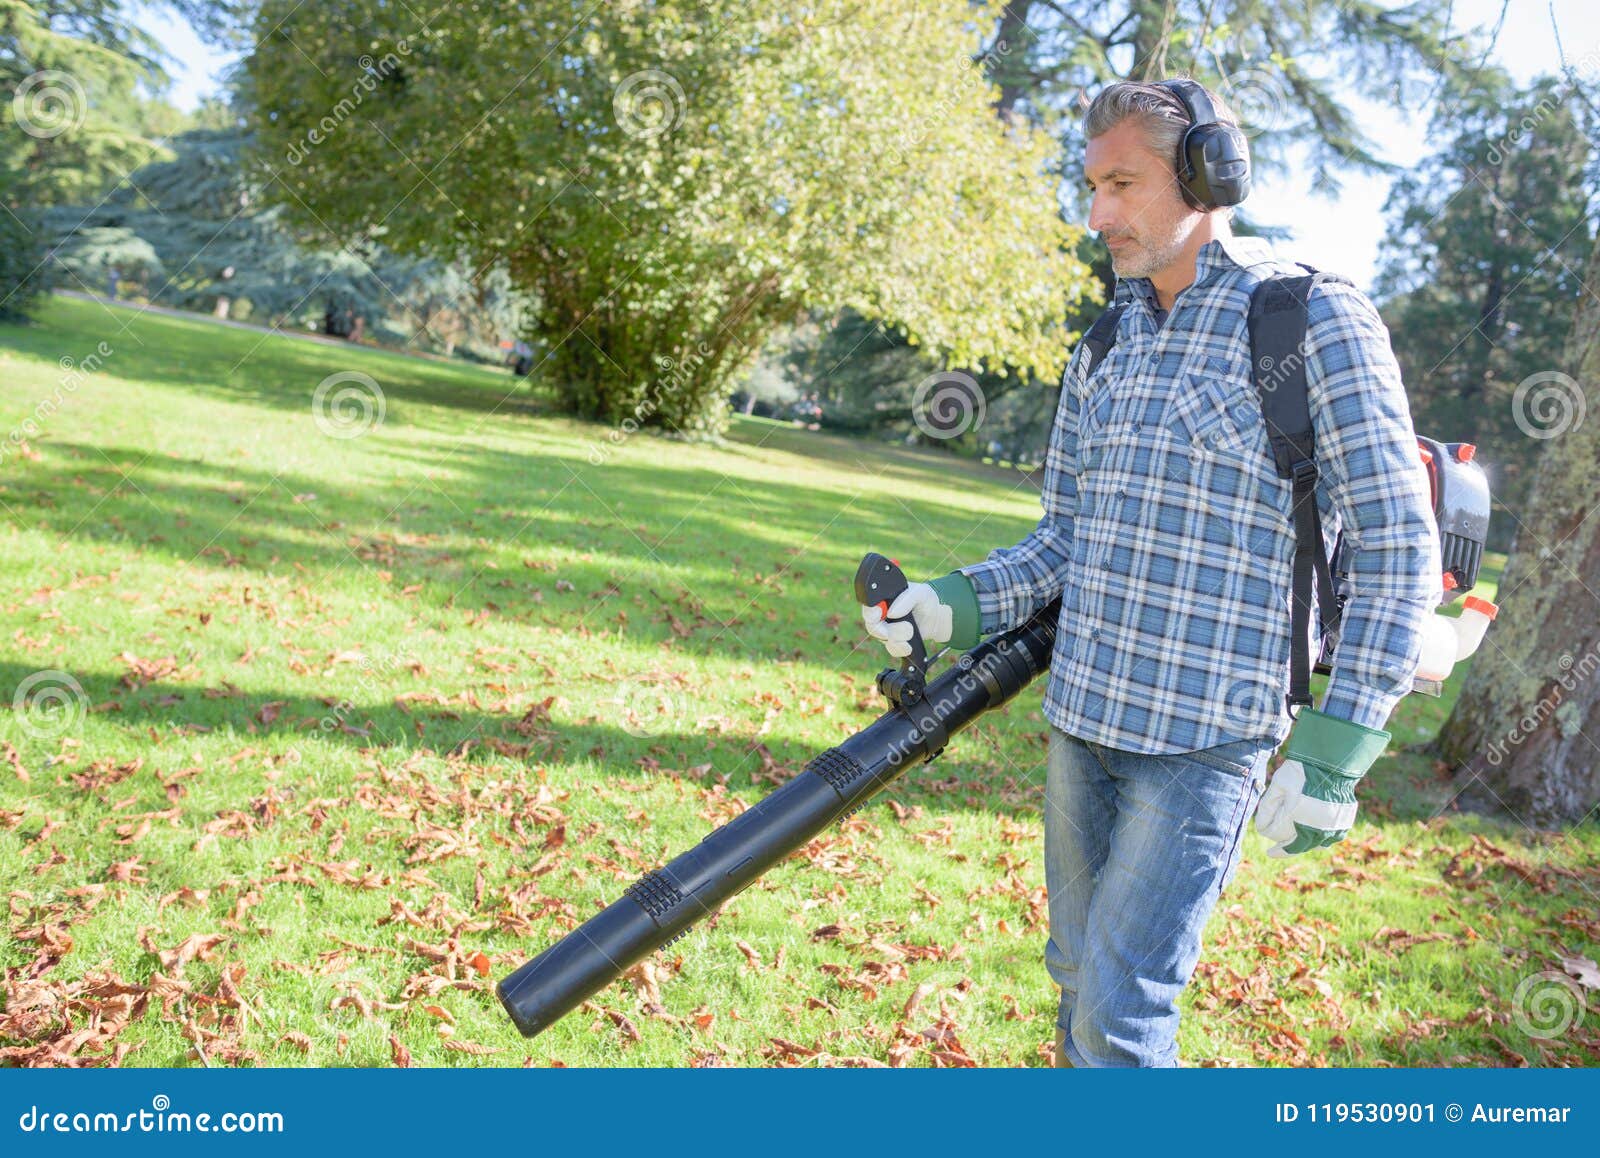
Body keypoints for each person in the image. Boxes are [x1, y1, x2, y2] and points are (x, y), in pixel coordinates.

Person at [860, 78, 1438, 1068]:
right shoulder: (1106, 342)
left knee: (1120, 1015)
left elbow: (1397, 545)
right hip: (1082, 719)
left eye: (1122, 184)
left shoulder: (1309, 321)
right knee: (1076, 979)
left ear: (1208, 175)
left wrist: (1340, 746)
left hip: (1206, 737)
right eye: (1091, 186)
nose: (1097, 215)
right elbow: (1063, 538)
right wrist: (948, 604)